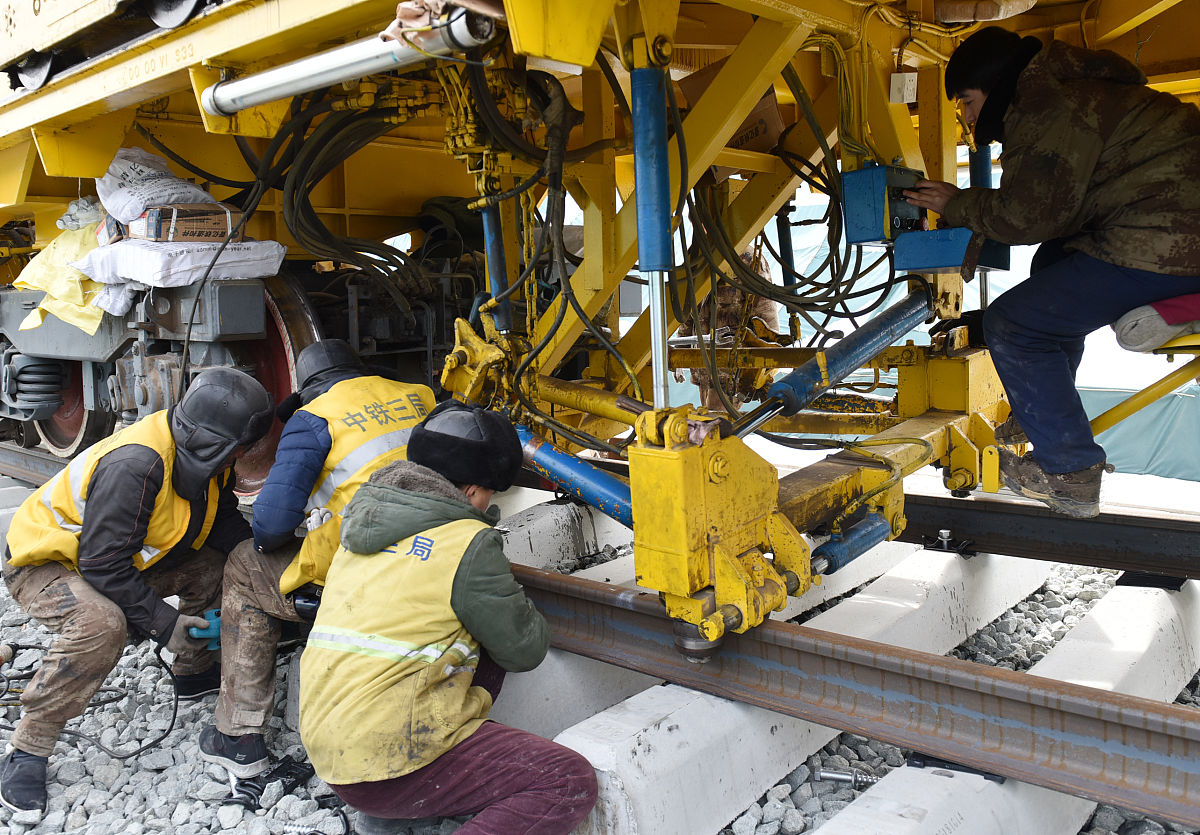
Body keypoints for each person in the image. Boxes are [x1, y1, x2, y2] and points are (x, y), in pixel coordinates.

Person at [903, 26, 1200, 518]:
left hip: (1171, 242)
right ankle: (1037, 413)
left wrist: (959, 203)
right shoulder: (1074, 91)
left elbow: (1029, 215)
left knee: (1014, 323)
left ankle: (1069, 472)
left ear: (997, 84)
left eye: (969, 101)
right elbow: (1058, 219)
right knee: (1051, 261)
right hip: (1172, 232)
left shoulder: (1044, 106)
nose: (967, 117)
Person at [299, 402, 598, 835]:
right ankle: (403, 797)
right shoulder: (466, 540)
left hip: (331, 750)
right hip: (388, 761)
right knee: (565, 780)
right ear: (474, 491)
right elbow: (525, 650)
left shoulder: (359, 528)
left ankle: (389, 817)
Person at [0, 367, 273, 817]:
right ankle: (28, 746)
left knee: (213, 567)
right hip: (45, 563)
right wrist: (166, 626)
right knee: (101, 623)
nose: (242, 457)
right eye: (240, 449)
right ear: (215, 443)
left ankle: (192, 673)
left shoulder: (207, 459)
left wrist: (270, 561)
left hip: (110, 559)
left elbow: (221, 525)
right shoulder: (137, 465)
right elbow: (102, 564)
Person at [199, 339, 436, 778]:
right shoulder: (418, 393)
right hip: (438, 552)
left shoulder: (313, 420)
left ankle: (239, 736)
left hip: (368, 575)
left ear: (309, 389)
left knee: (245, 566)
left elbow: (269, 527)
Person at [675, 250, 781, 412]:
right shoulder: (699, 254)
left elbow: (766, 313)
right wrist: (680, 355)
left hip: (732, 370)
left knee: (717, 424)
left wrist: (768, 362)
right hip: (702, 366)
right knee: (708, 420)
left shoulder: (749, 259)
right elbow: (689, 309)